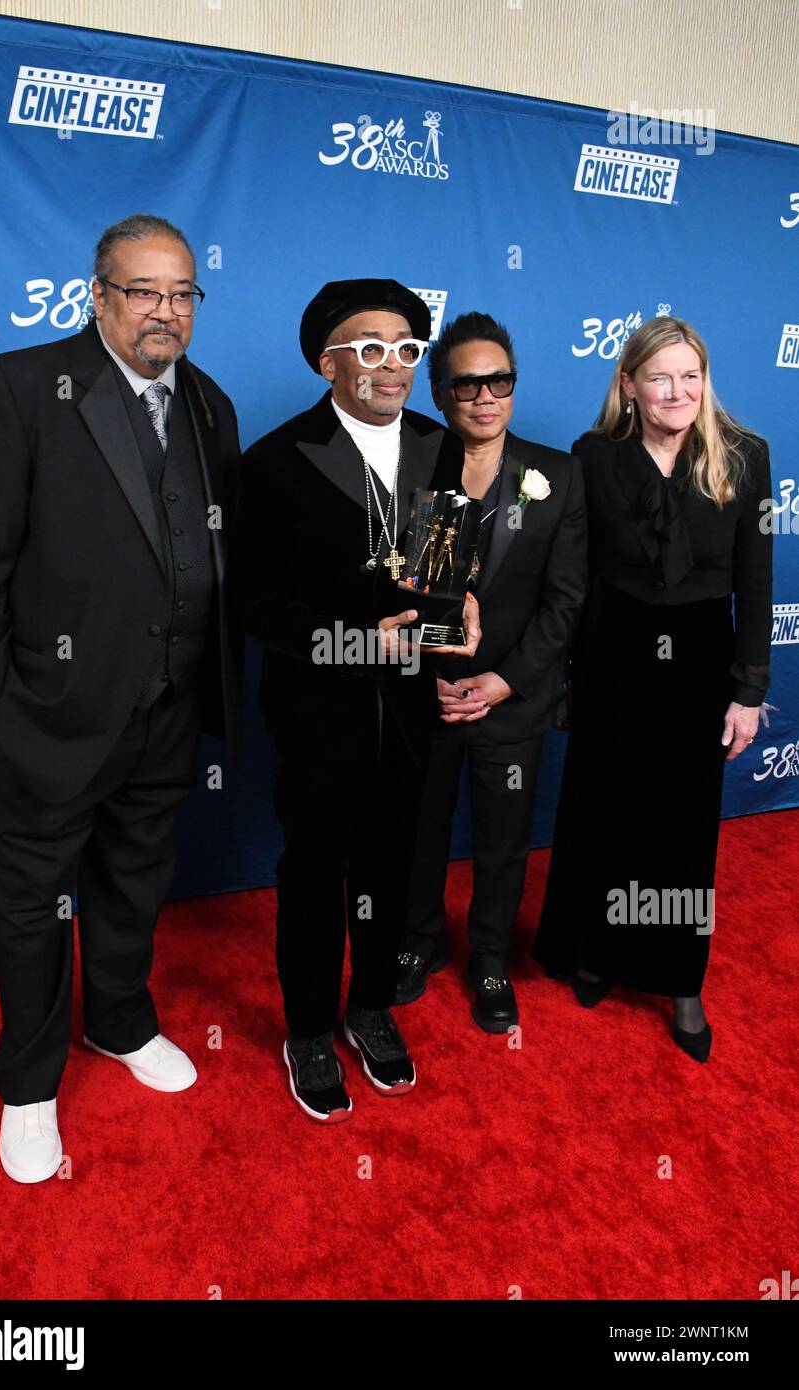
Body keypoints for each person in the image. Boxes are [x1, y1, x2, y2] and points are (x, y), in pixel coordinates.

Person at [0, 214, 241, 1181]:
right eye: (144, 291)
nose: (165, 311)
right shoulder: (18, 386)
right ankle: (27, 1083)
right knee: (31, 902)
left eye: (182, 293)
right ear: (98, 294)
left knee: (135, 876)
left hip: (166, 709)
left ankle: (118, 1022)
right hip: (46, 714)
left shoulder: (211, 406)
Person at [231, 278, 480, 1122]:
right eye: (369, 347)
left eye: (406, 348)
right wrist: (348, 638)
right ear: (328, 360)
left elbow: (438, 579)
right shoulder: (273, 460)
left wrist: (460, 615)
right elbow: (254, 603)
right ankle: (306, 1027)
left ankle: (368, 1007)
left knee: (393, 864)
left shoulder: (440, 447)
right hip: (316, 710)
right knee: (313, 871)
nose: (392, 365)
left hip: (409, 709)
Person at [532, 316, 773, 1062]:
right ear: (629, 385)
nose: (678, 391)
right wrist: (564, 677)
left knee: (685, 823)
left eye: (690, 375)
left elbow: (755, 581)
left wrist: (749, 688)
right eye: (660, 377)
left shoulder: (745, 454)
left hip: (700, 660)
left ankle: (679, 978)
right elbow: (574, 575)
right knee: (608, 809)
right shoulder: (593, 458)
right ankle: (599, 950)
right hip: (613, 652)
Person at [395, 312, 587, 1030]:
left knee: (505, 840)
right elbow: (401, 588)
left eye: (497, 380)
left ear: (513, 386)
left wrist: (506, 680)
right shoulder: (413, 463)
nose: (484, 396)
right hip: (428, 693)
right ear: (440, 394)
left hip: (513, 698)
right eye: (466, 383)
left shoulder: (557, 475)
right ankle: (416, 944)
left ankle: (490, 957)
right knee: (418, 829)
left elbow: (567, 600)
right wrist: (429, 673)